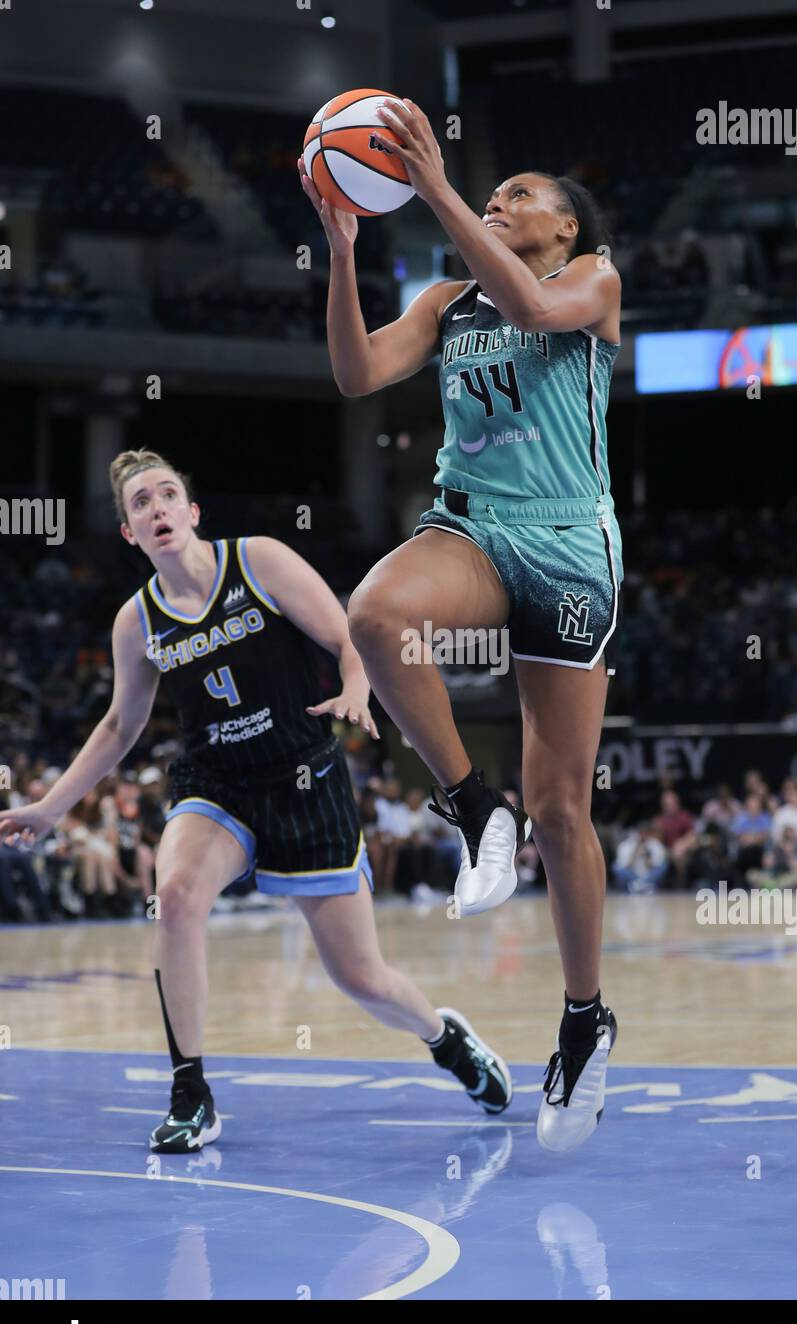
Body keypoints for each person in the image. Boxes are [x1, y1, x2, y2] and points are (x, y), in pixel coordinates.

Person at [0, 449, 512, 1151]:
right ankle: (191, 1091)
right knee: (175, 896)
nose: (156, 510)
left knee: (362, 979)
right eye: (139, 505)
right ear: (128, 532)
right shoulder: (137, 622)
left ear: (192, 511)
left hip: (306, 777)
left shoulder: (261, 562)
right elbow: (120, 725)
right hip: (217, 785)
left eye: (166, 495)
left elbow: (348, 636)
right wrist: (50, 808)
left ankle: (443, 1038)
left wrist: (358, 688)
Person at [299, 101, 621, 1153]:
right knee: (377, 611)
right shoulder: (444, 300)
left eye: (521, 194)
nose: (500, 199)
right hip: (472, 531)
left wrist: (434, 187)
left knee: (564, 808)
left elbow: (532, 311)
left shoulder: (590, 281)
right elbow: (354, 375)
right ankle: (471, 807)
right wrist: (343, 251)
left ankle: (582, 1018)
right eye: (492, 193)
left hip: (570, 544)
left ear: (567, 228)